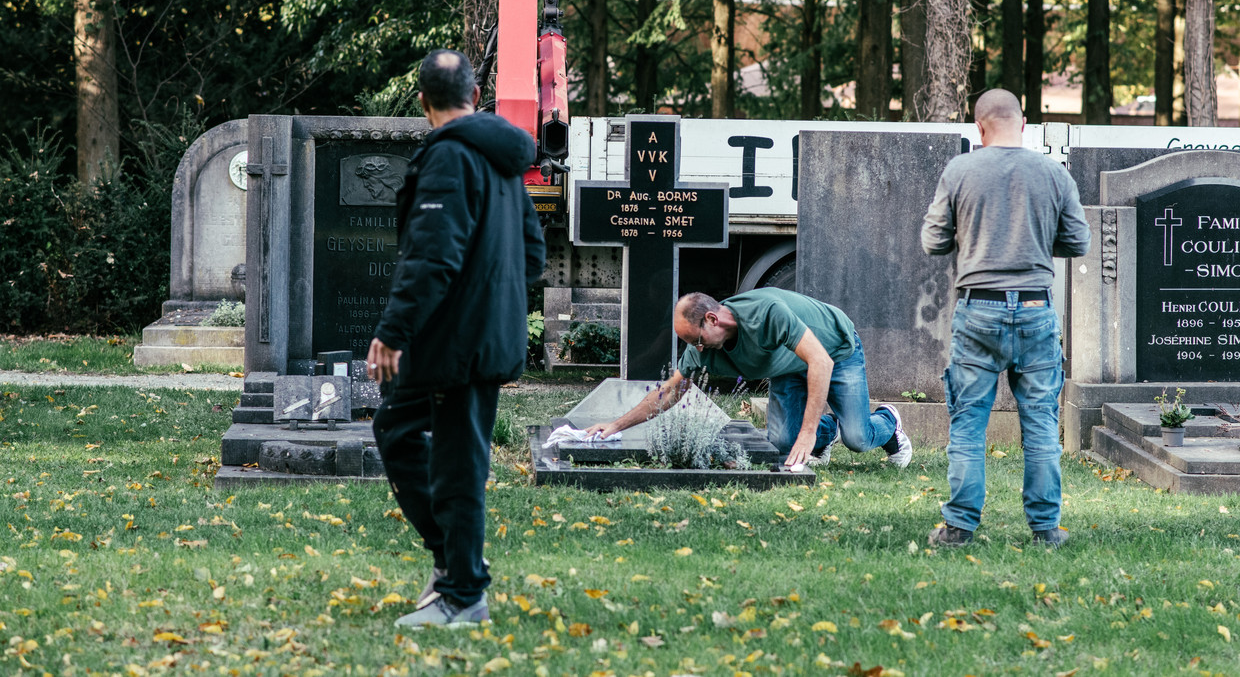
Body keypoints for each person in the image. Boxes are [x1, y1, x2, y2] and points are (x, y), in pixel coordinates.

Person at [366, 49, 545, 628]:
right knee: (396, 429)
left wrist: (393, 332)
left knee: (457, 468)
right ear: (475, 95)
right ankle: (453, 560)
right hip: (477, 334)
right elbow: (533, 255)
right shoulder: (502, 159)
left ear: (423, 101)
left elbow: (432, 256)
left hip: (459, 342)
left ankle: (463, 595)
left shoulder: (449, 155)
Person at [920, 88, 1090, 549]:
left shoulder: (960, 170)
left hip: (978, 310)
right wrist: (1036, 241)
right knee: (1040, 425)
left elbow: (933, 242)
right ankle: (1046, 530)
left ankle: (959, 528)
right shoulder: (1054, 173)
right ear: (1024, 122)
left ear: (979, 127)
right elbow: (1079, 241)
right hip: (1036, 310)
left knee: (968, 423)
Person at [585, 287, 913, 470]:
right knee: (783, 445)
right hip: (788, 366)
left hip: (834, 350)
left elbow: (820, 361)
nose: (695, 349)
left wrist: (807, 432)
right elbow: (669, 392)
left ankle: (888, 421)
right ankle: (826, 431)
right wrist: (615, 426)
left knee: (857, 438)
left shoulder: (765, 312)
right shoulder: (701, 350)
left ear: (712, 319)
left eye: (696, 340)